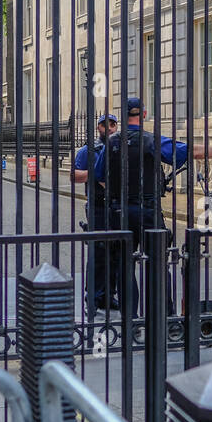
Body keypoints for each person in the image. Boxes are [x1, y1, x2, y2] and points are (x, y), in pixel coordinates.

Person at [94, 97, 212, 318]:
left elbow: (100, 175)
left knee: (124, 265)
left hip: (118, 210)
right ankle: (162, 317)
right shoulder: (150, 140)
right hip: (147, 209)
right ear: (143, 114)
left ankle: (129, 319)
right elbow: (189, 151)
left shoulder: (111, 142)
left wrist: (118, 193)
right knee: (158, 264)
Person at [72, 113, 118, 313]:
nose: (108, 128)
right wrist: (98, 172)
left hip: (116, 205)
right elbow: (74, 175)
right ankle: (93, 294)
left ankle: (109, 295)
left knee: (115, 252)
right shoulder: (88, 150)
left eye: (112, 124)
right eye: (104, 125)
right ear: (98, 127)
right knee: (98, 251)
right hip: (97, 205)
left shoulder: (119, 148)